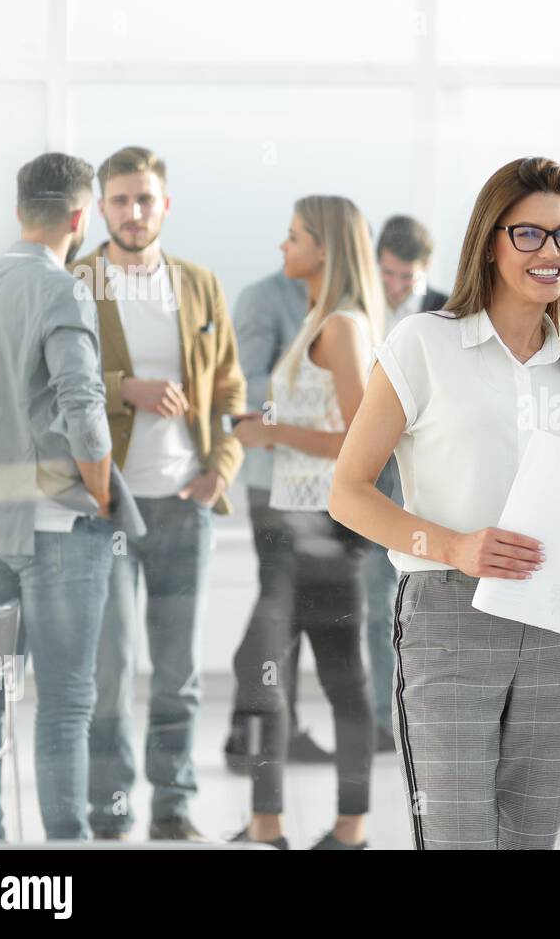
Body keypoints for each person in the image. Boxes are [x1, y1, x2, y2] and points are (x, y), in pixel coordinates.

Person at [329, 156, 560, 849]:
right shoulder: (424, 343)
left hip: (559, 627)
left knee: (533, 838)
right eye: (529, 235)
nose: (552, 253)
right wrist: (453, 547)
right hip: (448, 617)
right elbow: (348, 493)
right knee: (456, 838)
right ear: (491, 239)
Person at [0, 153, 144, 839]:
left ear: (20, 210)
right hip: (57, 530)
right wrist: (103, 491)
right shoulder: (61, 289)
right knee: (66, 702)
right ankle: (66, 849)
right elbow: (83, 404)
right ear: (81, 218)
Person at [73, 146, 246, 842]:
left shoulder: (198, 285)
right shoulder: (77, 280)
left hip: (185, 504)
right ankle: (109, 812)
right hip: (103, 504)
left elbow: (232, 389)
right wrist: (127, 388)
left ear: (164, 204)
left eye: (145, 199)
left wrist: (220, 471)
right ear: (101, 207)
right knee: (110, 673)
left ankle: (172, 810)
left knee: (177, 675)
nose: (134, 213)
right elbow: (51, 383)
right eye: (120, 200)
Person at [231, 195, 384, 849]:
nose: (282, 246)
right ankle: (271, 822)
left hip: (323, 532)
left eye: (294, 236)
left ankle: (347, 827)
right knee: (268, 671)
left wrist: (272, 432)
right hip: (295, 528)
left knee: (334, 679)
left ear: (324, 247)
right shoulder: (321, 318)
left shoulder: (343, 326)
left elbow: (360, 439)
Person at [223, 268, 335, 771]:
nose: (285, 249)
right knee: (280, 603)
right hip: (274, 481)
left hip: (319, 484)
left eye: (296, 238)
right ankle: (250, 732)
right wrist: (322, 390)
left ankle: (272, 732)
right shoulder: (263, 298)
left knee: (293, 607)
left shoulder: (335, 301)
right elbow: (246, 390)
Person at [364, 214, 450, 751]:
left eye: (408, 280)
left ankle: (421, 712)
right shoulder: (355, 308)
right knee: (377, 604)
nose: (397, 288)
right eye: (390, 276)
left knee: (424, 595)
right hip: (370, 473)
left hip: (425, 473)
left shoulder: (446, 312)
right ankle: (380, 718)